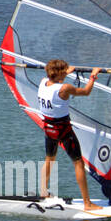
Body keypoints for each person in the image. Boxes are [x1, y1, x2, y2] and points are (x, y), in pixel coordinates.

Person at [37, 59, 103, 211]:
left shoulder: (42, 82)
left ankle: (43, 192)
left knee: (49, 159)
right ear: (60, 73)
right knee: (78, 163)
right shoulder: (65, 88)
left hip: (48, 129)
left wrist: (65, 72)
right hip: (63, 131)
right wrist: (93, 77)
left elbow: (53, 79)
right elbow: (86, 92)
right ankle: (87, 203)